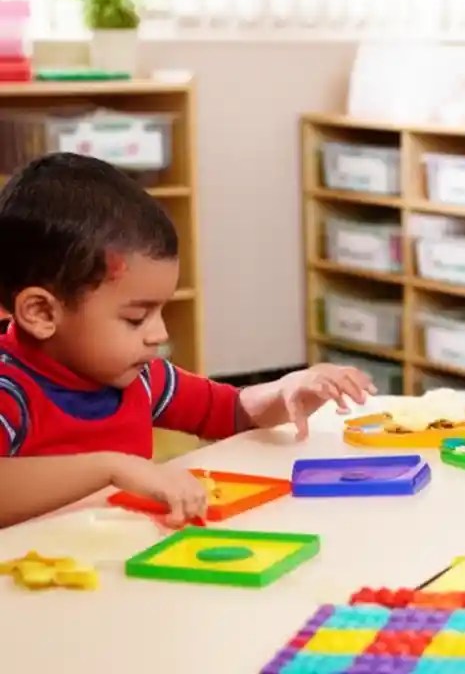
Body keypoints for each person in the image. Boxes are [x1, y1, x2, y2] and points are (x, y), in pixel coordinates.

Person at [0, 153, 376, 527]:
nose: (160, 334)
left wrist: (286, 390)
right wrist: (111, 468)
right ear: (42, 313)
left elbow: (230, 412)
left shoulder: (143, 377)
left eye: (161, 311)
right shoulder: (9, 391)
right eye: (136, 318)